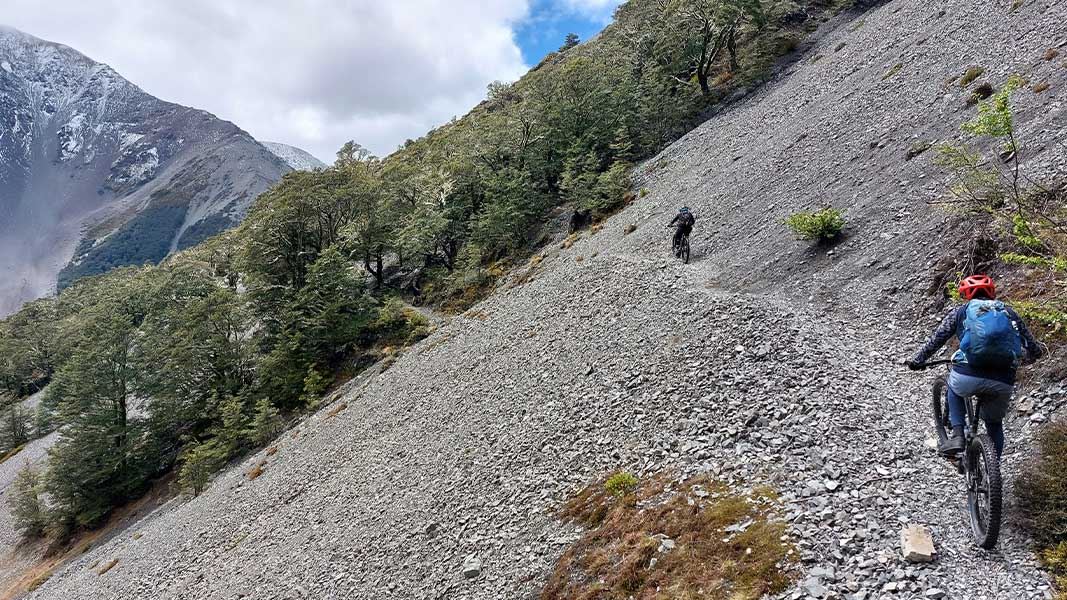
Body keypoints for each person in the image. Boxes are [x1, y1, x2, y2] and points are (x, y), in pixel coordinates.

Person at [907, 274, 1044, 457]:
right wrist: (1023, 360)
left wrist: (918, 360)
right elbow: (1033, 348)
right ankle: (993, 468)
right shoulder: (1009, 313)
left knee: (954, 387)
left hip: (968, 374)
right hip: (1003, 379)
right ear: (992, 292)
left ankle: (957, 435)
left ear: (966, 294)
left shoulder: (961, 312)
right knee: (994, 424)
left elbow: (937, 339)